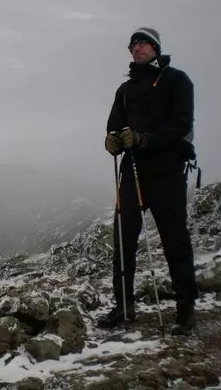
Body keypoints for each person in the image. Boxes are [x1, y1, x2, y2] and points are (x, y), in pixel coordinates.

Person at [98, 27, 198, 335]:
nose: (136, 48)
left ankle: (185, 309)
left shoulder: (177, 80)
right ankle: (124, 307)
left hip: (167, 170)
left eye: (142, 43)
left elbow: (181, 126)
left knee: (174, 239)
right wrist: (112, 141)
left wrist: (144, 138)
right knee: (123, 239)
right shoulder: (125, 90)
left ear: (155, 47)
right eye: (132, 45)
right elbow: (114, 127)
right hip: (134, 172)